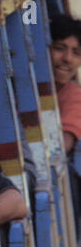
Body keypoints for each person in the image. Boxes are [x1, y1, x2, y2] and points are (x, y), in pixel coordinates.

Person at [51, 15, 81, 154]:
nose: (67, 59)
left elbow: (62, 145)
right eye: (59, 48)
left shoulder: (74, 95)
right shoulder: (16, 86)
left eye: (76, 53)